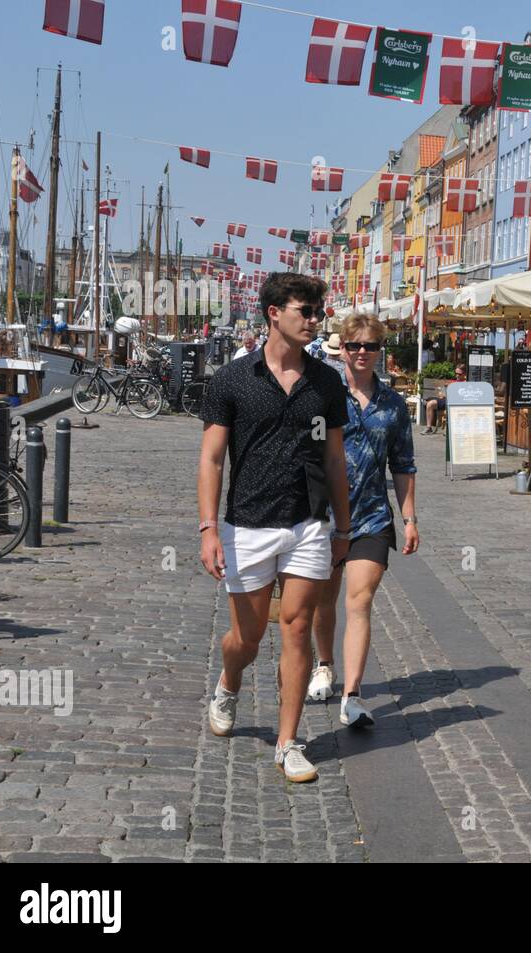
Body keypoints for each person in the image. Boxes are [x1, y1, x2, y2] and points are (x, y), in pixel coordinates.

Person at [197, 273, 352, 784]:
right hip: (248, 525)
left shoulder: (326, 382)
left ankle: (288, 742)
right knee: (247, 635)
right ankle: (229, 680)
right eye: (305, 311)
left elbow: (334, 460)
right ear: (274, 314)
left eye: (317, 312)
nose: (314, 320)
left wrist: (342, 527)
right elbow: (213, 459)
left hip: (308, 523)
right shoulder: (233, 381)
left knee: (298, 628)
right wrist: (208, 529)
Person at [308, 312, 420, 726]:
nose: (361, 352)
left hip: (372, 515)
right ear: (343, 347)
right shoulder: (324, 396)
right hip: (322, 517)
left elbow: (404, 465)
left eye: (370, 346)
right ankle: (324, 663)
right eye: (354, 345)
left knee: (360, 600)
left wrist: (409, 518)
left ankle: (352, 695)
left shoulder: (392, 405)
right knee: (324, 597)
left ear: (379, 350)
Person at [422, 363, 465, 435]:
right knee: (430, 404)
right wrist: (442, 393)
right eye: (456, 373)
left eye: (459, 374)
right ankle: (429, 428)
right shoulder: (454, 382)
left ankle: (450, 429)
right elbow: (443, 393)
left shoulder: (465, 383)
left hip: (455, 402)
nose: (457, 375)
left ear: (464, 374)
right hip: (446, 399)